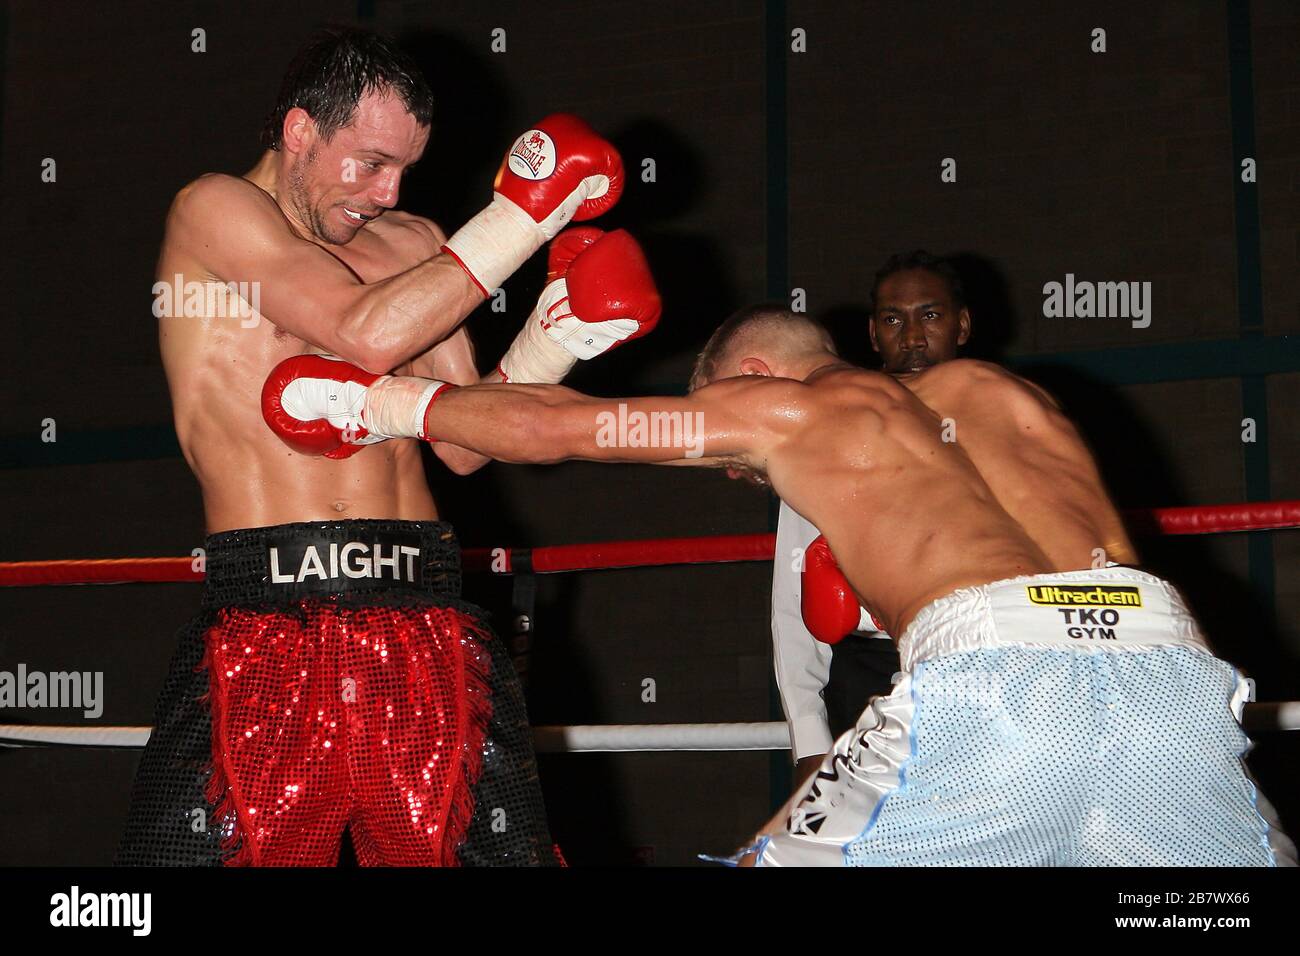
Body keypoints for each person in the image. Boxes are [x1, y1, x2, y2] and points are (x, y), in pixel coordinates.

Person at [263, 308, 1285, 866]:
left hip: (995, 675)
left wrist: (374, 401)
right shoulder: (1005, 392)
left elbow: (552, 429)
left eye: (733, 460)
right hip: (1167, 672)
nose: (742, 475)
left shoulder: (791, 413)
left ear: (751, 374)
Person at [117, 26, 658, 866]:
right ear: (300, 131)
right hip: (269, 627)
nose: (387, 190)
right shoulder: (214, 211)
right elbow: (363, 334)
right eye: (369, 162)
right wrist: (523, 216)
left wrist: (556, 340)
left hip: (425, 619)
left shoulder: (414, 243)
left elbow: (467, 443)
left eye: (404, 168)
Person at [774, 252, 971, 792]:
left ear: (961, 324)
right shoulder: (829, 432)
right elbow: (792, 597)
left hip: (975, 662)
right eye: (892, 319)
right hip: (864, 671)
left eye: (929, 315)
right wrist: (809, 738)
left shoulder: (1008, 424)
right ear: (872, 333)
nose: (912, 336)